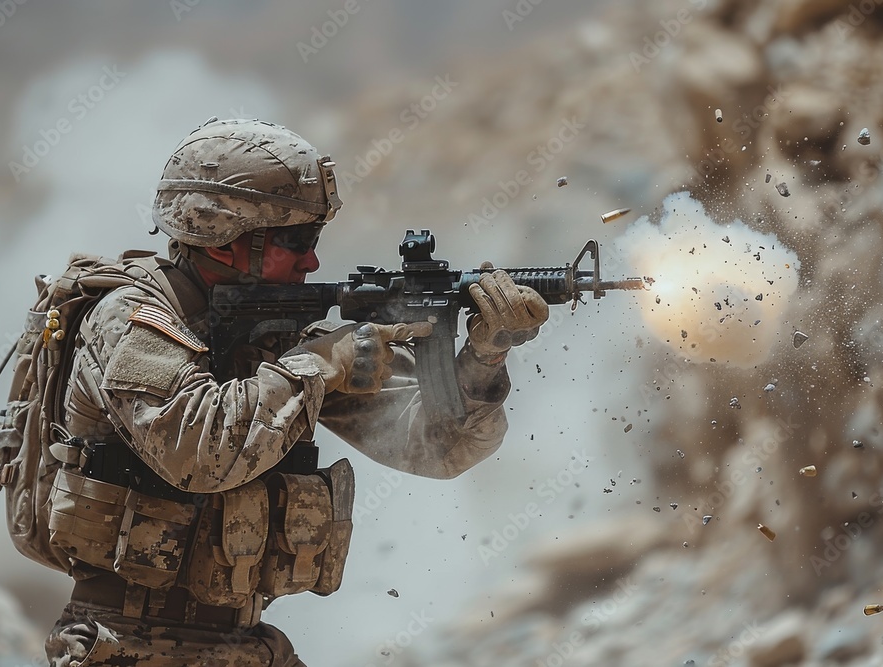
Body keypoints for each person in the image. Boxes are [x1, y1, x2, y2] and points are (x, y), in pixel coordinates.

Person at [42, 118, 549, 666]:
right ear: (226, 236)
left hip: (247, 646)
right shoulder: (131, 320)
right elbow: (200, 457)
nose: (311, 262)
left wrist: (484, 356)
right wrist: (323, 363)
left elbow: (440, 449)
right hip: (126, 644)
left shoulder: (279, 340)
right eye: (296, 241)